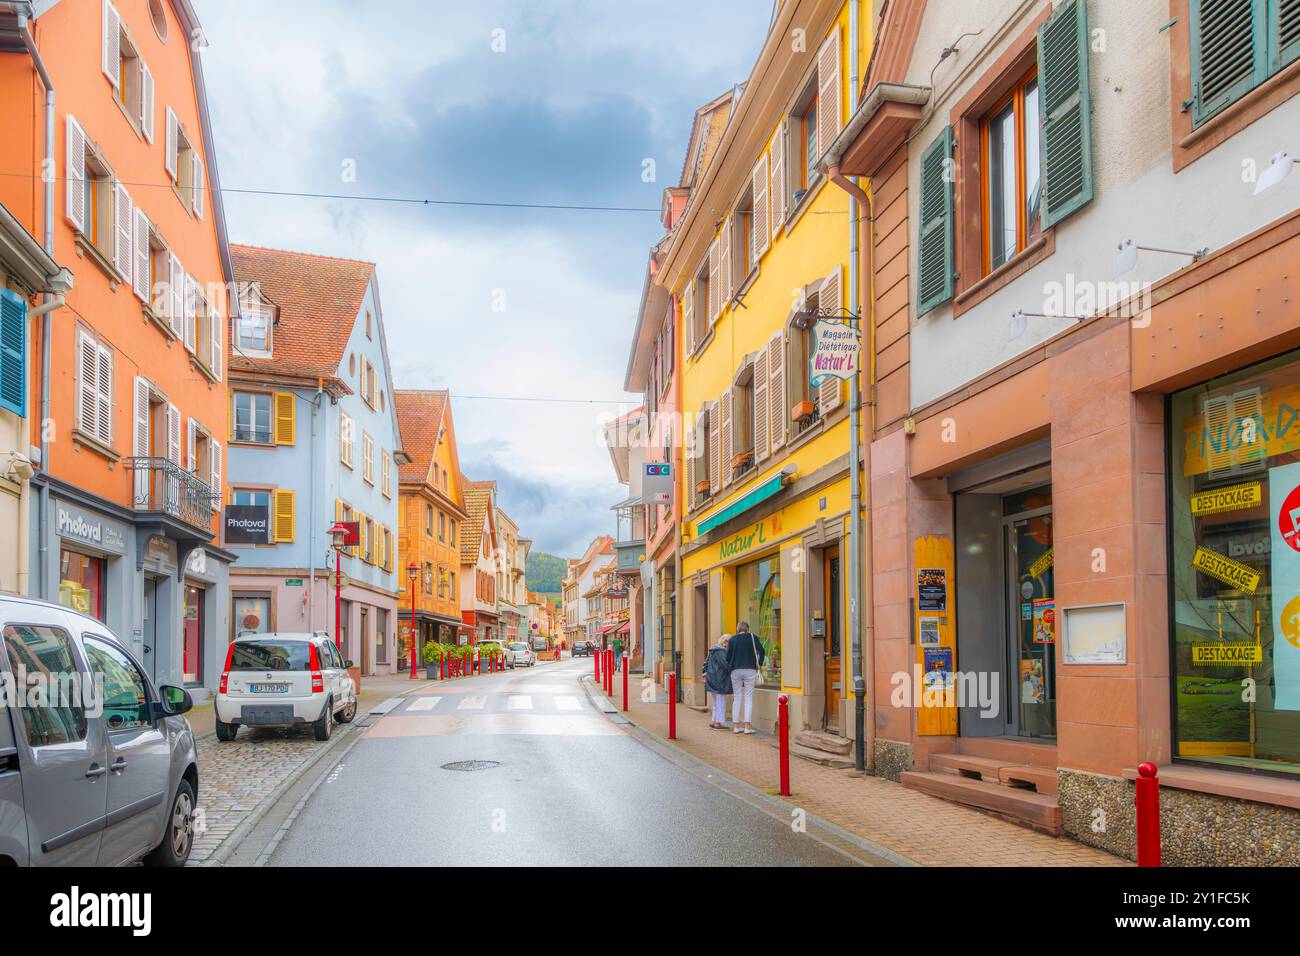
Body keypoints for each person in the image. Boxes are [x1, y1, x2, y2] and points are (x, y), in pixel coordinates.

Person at [725, 621, 765, 734]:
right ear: (747, 629)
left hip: (735, 670)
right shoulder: (753, 637)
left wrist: (731, 664)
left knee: (737, 697)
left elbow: (727, 657)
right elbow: (762, 651)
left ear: (738, 629)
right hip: (750, 669)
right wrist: (759, 664)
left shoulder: (732, 639)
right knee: (748, 697)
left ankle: (736, 726)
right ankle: (747, 727)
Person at [703, 635, 731, 729]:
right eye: (730, 642)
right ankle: (718, 723)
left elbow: (705, 663)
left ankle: (714, 721)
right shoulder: (721, 651)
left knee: (716, 702)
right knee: (721, 702)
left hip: (712, 679)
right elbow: (725, 665)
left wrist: (704, 675)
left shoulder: (713, 650)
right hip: (719, 679)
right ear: (725, 642)